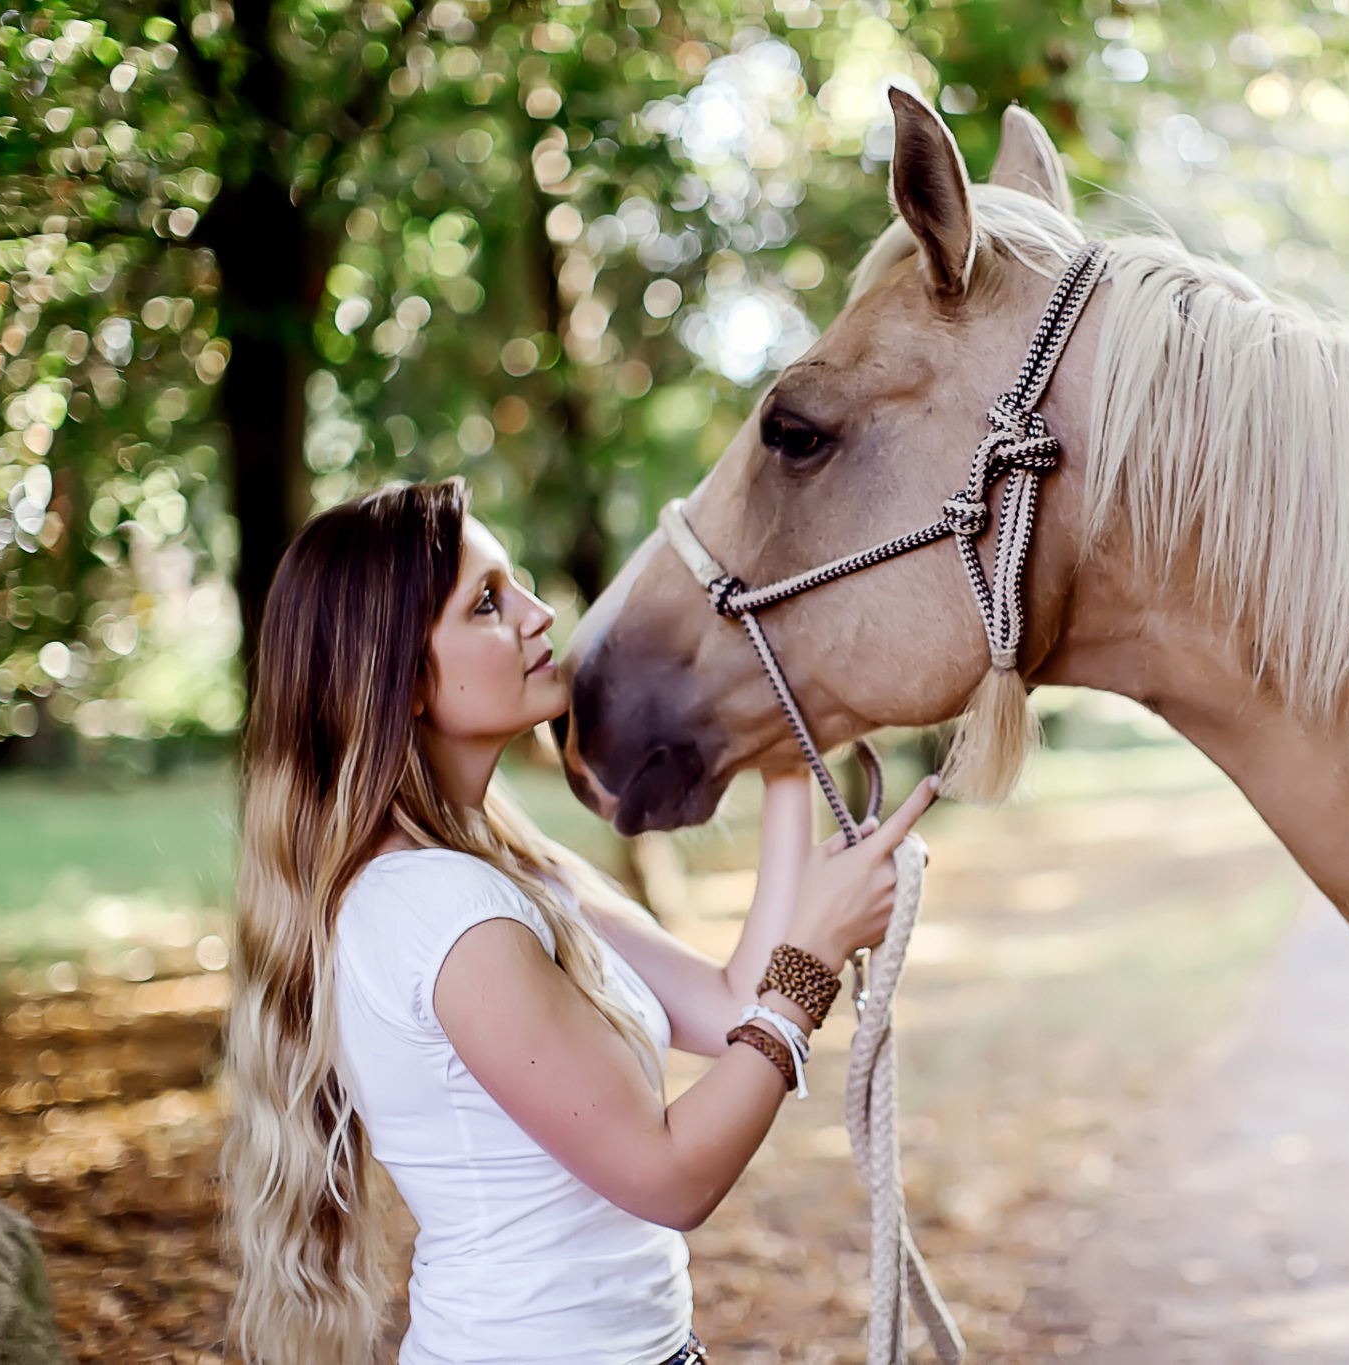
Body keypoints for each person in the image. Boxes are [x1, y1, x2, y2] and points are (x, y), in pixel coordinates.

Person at [221, 479, 936, 1365]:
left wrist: (785, 767)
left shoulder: (507, 868)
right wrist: (815, 955)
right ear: (401, 678)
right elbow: (670, 1176)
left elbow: (721, 1005)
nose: (536, 612)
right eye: (487, 602)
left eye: (515, 582)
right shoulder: (442, 911)